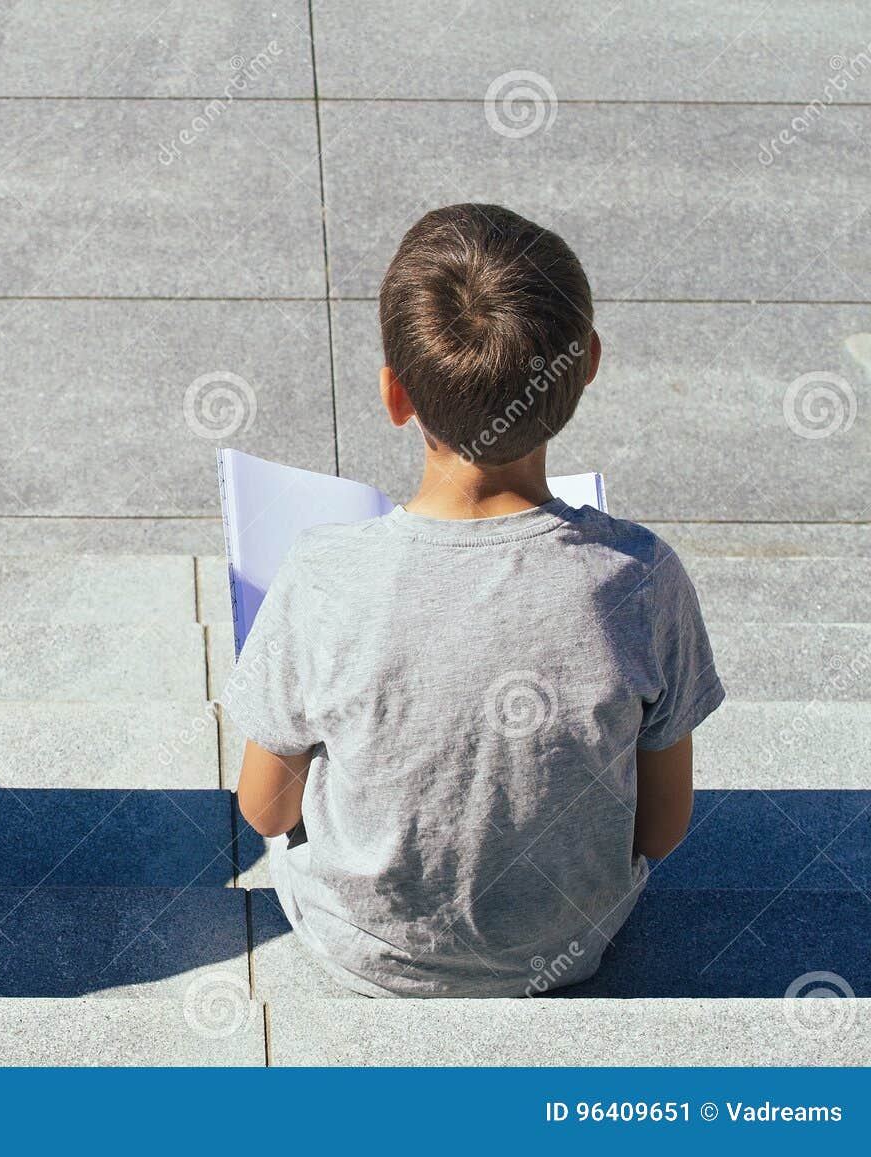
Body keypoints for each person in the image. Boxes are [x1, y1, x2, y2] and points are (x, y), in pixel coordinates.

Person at [224, 204, 724, 997]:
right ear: (587, 364)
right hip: (572, 943)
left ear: (395, 394)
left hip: (361, 949)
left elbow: (263, 808)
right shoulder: (641, 577)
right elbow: (661, 830)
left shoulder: (323, 573)